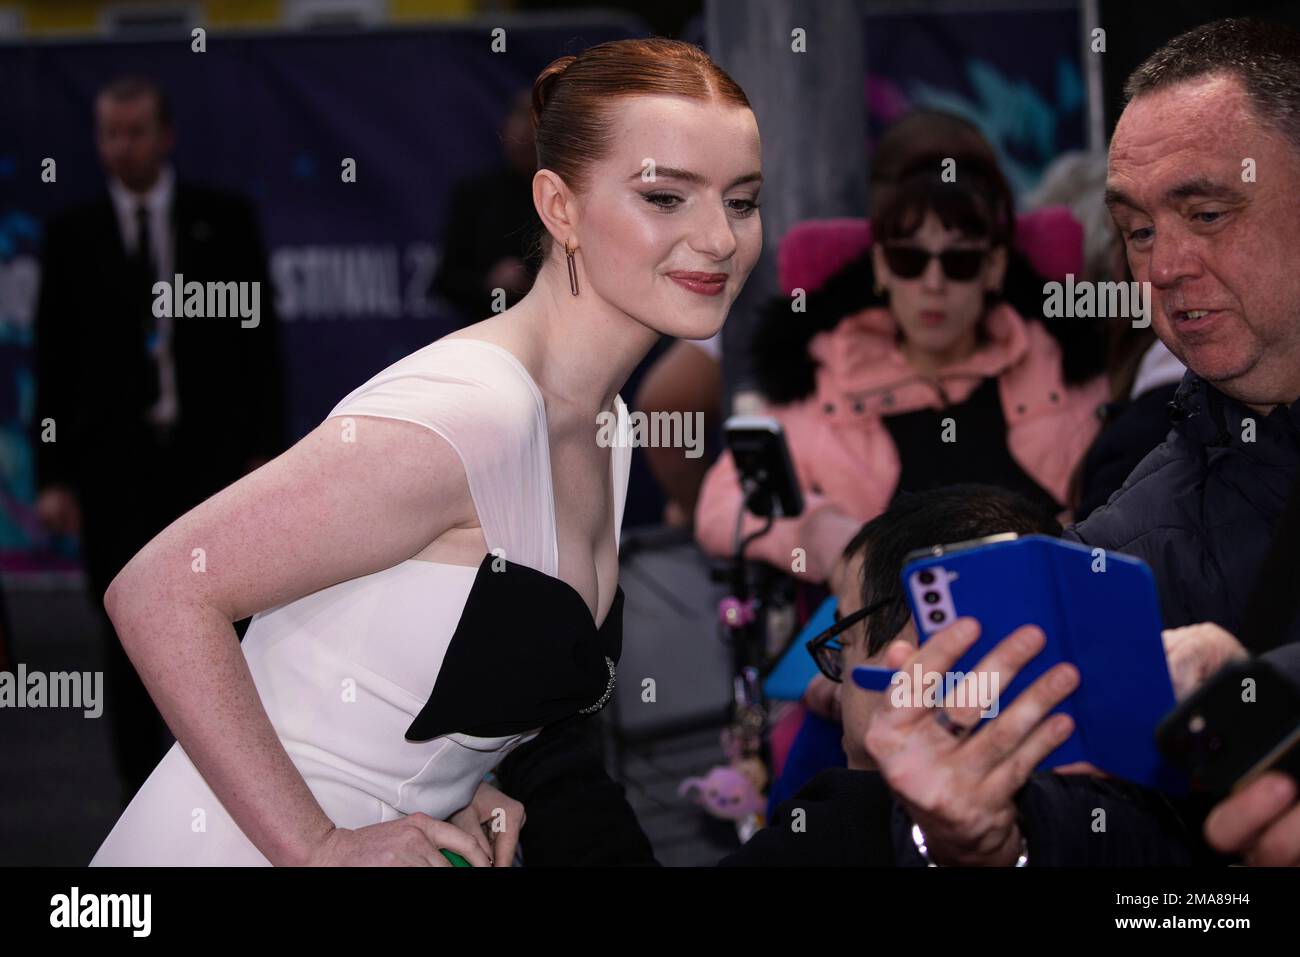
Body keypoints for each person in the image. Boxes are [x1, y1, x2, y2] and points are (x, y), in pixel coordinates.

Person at [88, 37, 763, 866]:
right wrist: (317, 844)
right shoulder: (473, 409)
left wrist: (461, 783)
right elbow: (157, 593)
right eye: (666, 196)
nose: (720, 238)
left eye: (741, 200)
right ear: (559, 207)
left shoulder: (606, 424)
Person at [721, 485, 1203, 866]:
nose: (831, 685)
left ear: (921, 654)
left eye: (843, 646)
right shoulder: (1155, 806)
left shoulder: (839, 824)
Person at [31, 76, 285, 798]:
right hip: (114, 469)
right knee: (128, 634)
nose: (123, 146)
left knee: (231, 628)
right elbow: (53, 357)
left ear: (165, 135)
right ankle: (143, 804)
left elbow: (259, 344)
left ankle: (242, 795)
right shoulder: (71, 233)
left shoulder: (222, 219)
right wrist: (51, 476)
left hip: (209, 462)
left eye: (136, 131)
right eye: (110, 133)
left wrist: (263, 451)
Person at [694, 149, 1108, 586]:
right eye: (909, 261)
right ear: (881, 268)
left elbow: (1125, 492)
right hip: (893, 637)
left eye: (959, 263)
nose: (933, 284)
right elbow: (721, 507)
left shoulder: (1061, 369)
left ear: (994, 269)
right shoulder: (824, 379)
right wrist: (821, 535)